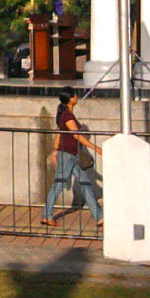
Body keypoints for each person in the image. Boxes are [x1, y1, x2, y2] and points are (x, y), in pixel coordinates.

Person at [41, 86, 102, 226]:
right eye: (75, 95)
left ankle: (99, 216)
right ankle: (47, 215)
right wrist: (95, 147)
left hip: (70, 155)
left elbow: (59, 133)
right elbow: (76, 134)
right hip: (68, 155)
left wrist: (55, 151)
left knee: (85, 183)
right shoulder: (67, 116)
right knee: (59, 185)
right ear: (70, 99)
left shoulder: (66, 114)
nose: (77, 97)